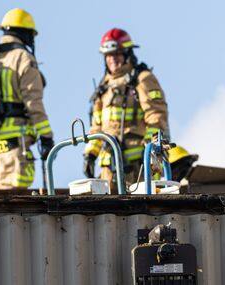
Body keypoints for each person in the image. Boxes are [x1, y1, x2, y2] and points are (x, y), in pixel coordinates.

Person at [84, 28, 196, 185]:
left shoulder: (142, 79)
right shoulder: (104, 87)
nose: (112, 59)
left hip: (139, 166)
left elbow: (156, 117)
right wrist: (90, 154)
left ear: (127, 53)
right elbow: (97, 128)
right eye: (108, 55)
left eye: (117, 53)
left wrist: (150, 150)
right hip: (109, 168)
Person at [0, 9, 54, 190]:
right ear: (26, 34)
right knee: (11, 213)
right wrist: (46, 137)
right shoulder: (23, 58)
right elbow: (33, 103)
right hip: (12, 154)